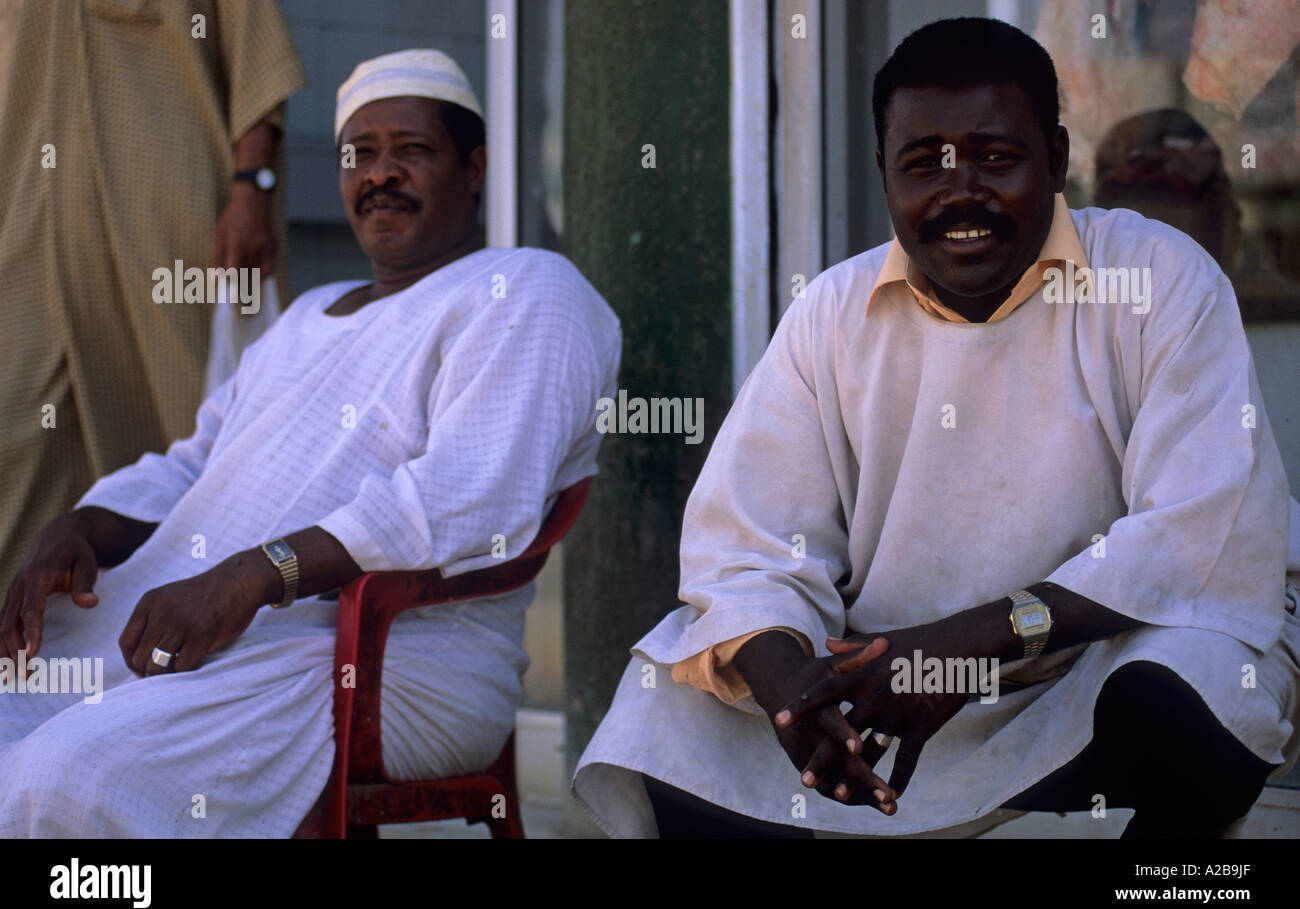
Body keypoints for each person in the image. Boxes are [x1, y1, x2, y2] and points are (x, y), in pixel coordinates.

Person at [573, 18, 1299, 839]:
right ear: (884, 173)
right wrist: (795, 697)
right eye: (924, 164)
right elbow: (746, 548)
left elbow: (1198, 531)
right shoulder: (832, 314)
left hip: (1099, 654)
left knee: (1193, 685)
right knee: (667, 713)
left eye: (996, 157)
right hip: (895, 674)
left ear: (1057, 160)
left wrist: (968, 644)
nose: (962, 192)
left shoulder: (1156, 276)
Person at [0, 48, 621, 837]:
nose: (380, 174)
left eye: (413, 151)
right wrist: (79, 527)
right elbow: (196, 465)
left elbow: (465, 500)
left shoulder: (525, 290)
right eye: (359, 155)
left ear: (476, 168)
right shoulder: (305, 318)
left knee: (68, 778)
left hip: (398, 659)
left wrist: (254, 577)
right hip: (233, 628)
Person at [0, 0, 306, 591]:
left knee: (196, 447)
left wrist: (253, 185)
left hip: (170, 233)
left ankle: (194, 654)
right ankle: (26, 668)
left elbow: (259, 57)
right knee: (18, 454)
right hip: (25, 237)